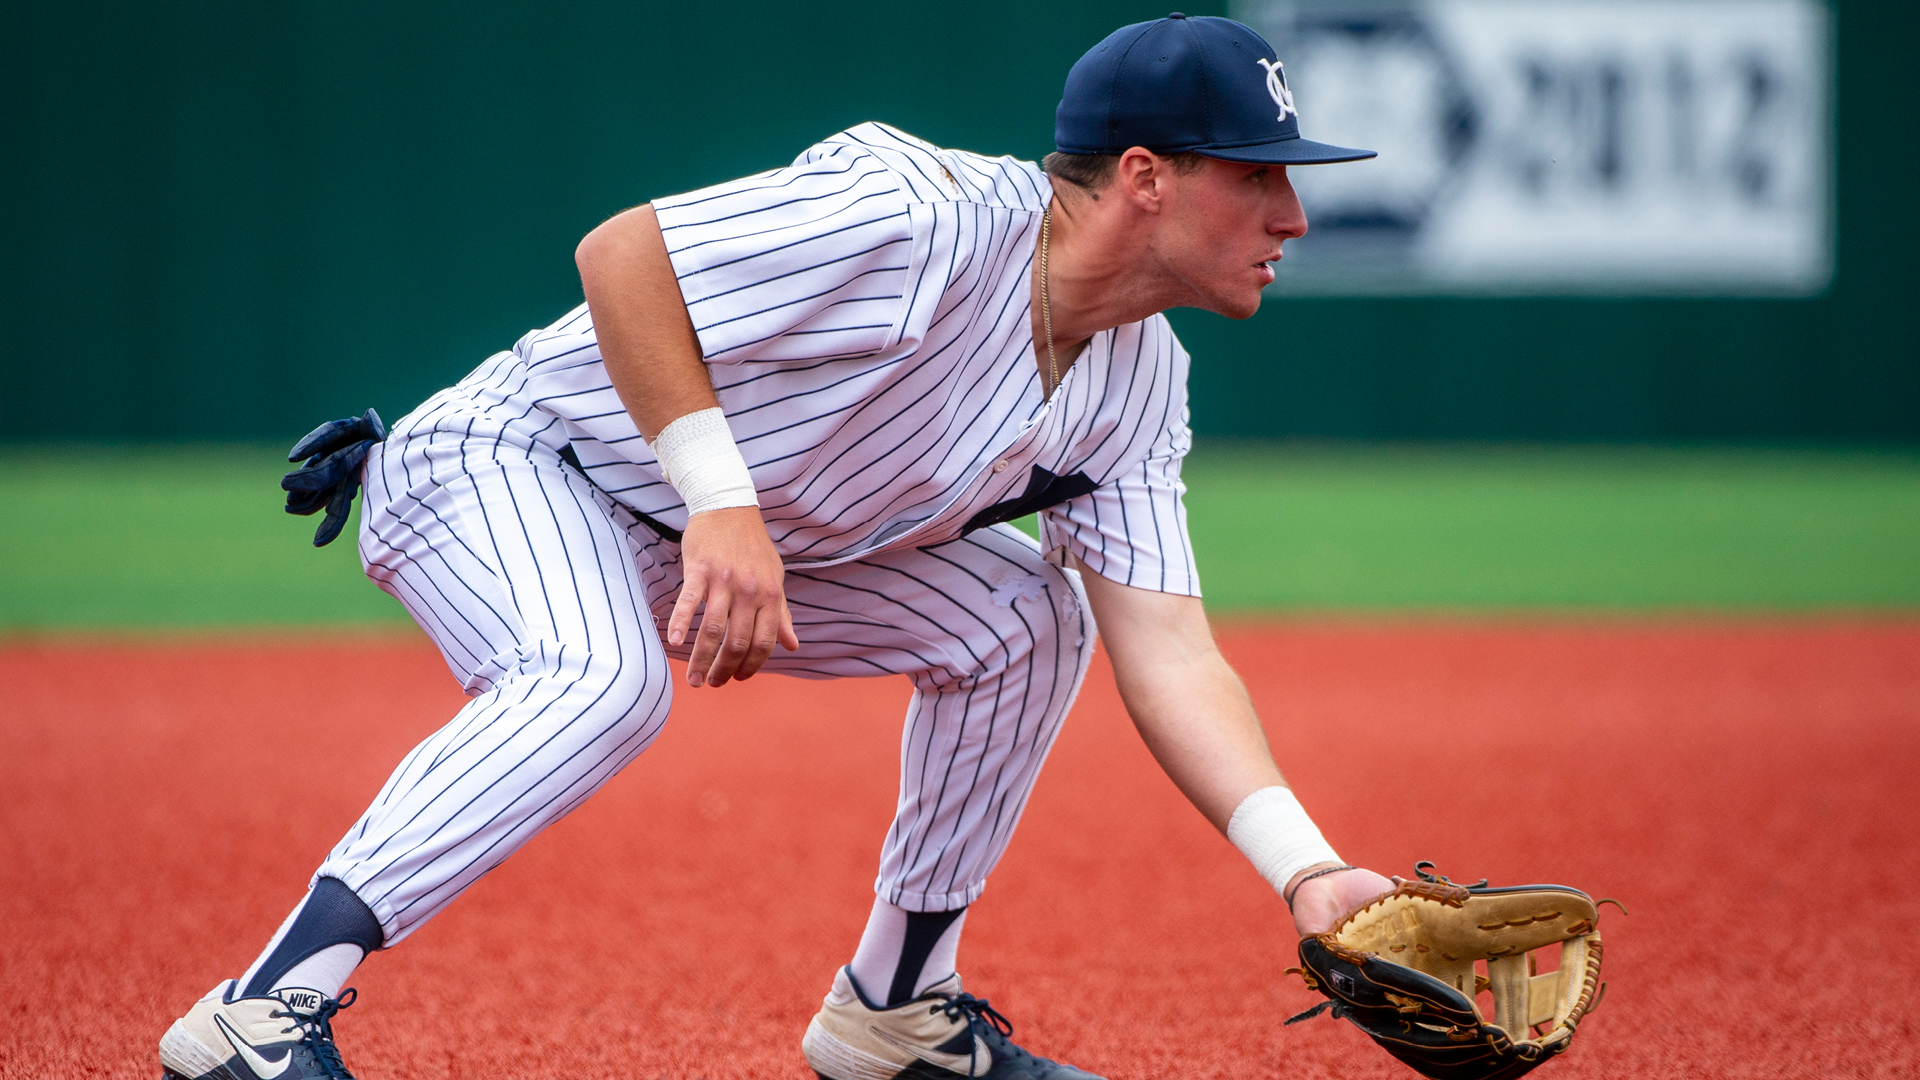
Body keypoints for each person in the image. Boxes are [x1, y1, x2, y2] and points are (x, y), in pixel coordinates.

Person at [159, 14, 1390, 1080]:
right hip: (516, 463)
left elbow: (1169, 646)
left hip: (737, 546)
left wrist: (1307, 873)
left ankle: (894, 1009)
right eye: (1256, 175)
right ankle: (261, 1010)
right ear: (1145, 176)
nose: (1292, 210)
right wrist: (721, 502)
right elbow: (621, 255)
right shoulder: (921, 216)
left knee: (1031, 620)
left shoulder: (1138, 382)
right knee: (605, 684)